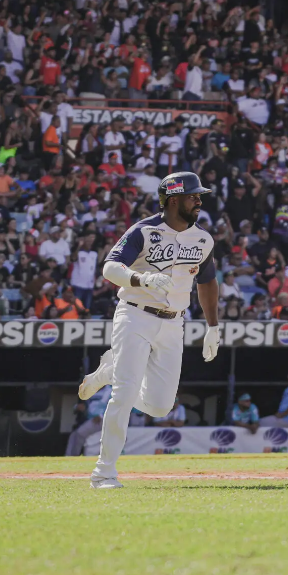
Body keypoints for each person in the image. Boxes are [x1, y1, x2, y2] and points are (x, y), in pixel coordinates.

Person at [77, 172, 220, 489]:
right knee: (125, 395)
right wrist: (141, 279)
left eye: (199, 196)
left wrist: (213, 327)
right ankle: (104, 473)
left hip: (174, 322)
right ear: (173, 200)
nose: (199, 201)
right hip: (135, 315)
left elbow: (208, 281)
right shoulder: (144, 231)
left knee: (160, 406)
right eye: (193, 196)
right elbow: (110, 267)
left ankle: (110, 372)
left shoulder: (203, 239)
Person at [65, 384, 111, 457]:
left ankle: (75, 456)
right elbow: (85, 406)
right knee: (73, 435)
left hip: (103, 420)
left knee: (80, 433)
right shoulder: (91, 389)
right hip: (90, 418)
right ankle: (68, 457)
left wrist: (101, 416)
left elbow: (115, 407)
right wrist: (78, 407)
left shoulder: (110, 391)